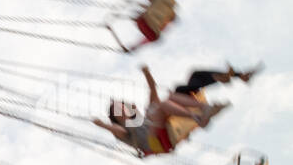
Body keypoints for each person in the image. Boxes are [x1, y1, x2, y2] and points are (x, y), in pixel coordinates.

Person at [94, 64, 257, 156]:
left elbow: (152, 89)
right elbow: (117, 130)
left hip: (161, 129)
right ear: (117, 116)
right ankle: (198, 117)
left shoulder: (145, 114)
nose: (125, 108)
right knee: (161, 106)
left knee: (171, 96)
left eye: (123, 106)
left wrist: (147, 72)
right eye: (120, 109)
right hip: (154, 143)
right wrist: (103, 125)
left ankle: (205, 109)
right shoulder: (124, 129)